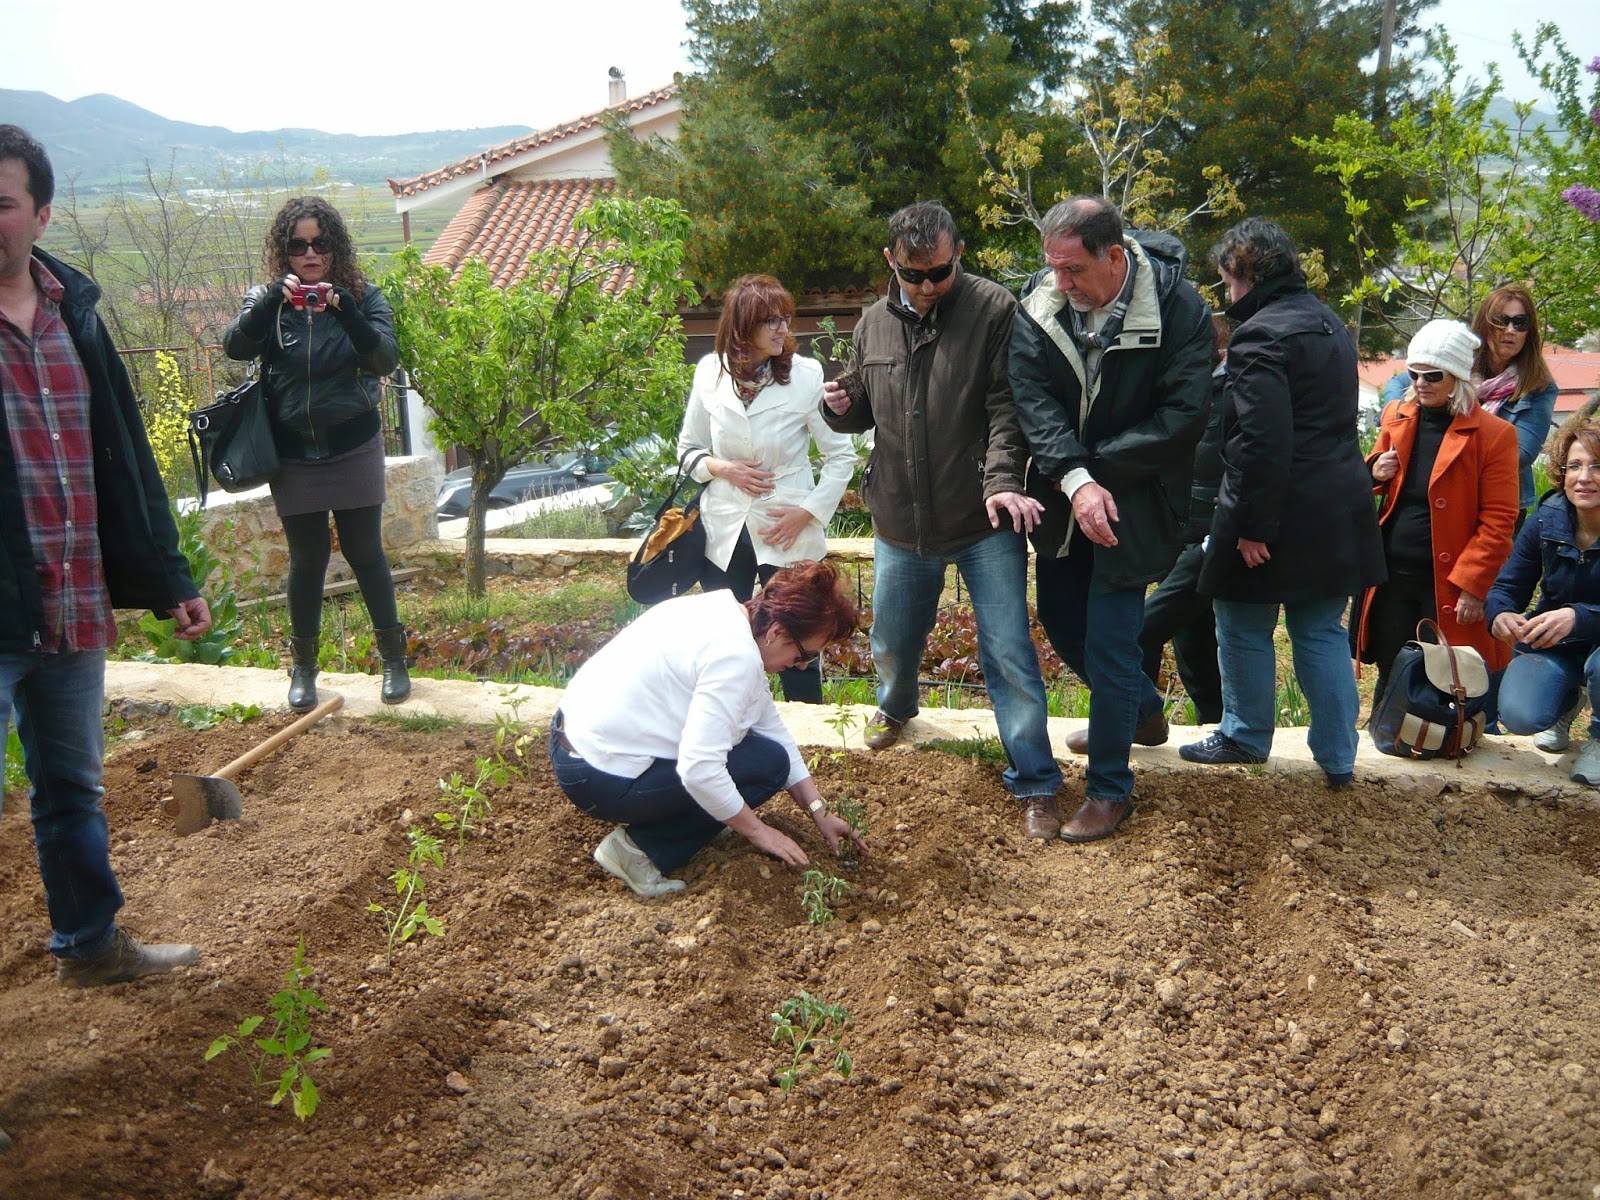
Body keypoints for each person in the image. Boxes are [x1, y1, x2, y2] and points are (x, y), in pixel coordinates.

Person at [0, 125, 210, 1018]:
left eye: (3, 201)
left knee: (74, 788)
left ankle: (90, 944)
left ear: (40, 213)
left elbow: (123, 455)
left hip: (72, 601)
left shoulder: (74, 314)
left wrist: (168, 574)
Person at [819, 200, 1065, 839]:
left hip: (985, 517)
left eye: (940, 272)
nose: (928, 286)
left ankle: (1037, 781)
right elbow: (864, 408)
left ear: (959, 254)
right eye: (913, 274)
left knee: (1008, 651)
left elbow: (1008, 407)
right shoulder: (872, 323)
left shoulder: (993, 311)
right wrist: (841, 405)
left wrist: (1003, 480)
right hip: (901, 517)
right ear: (891, 262)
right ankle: (896, 709)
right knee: (894, 641)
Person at [1011, 196, 1212, 842]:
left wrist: (1097, 472)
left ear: (1115, 257)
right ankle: (1142, 710)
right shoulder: (1040, 302)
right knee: (1064, 621)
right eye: (1052, 268)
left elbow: (1182, 417)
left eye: (1072, 270)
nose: (1060, 284)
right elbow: (1032, 397)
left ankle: (1108, 789)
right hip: (1069, 493)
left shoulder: (1181, 309)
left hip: (1138, 496)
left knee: (1111, 637)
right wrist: (1074, 479)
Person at [1187, 218, 1386, 787]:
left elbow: (1262, 441)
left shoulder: (1260, 335)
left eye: (1228, 280)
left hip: (1276, 508)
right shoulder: (1327, 321)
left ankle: (1245, 735)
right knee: (1320, 632)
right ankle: (1338, 757)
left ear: (1247, 274)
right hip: (1336, 506)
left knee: (1241, 622)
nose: (1227, 294)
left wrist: (1254, 525)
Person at [550, 561, 868, 897]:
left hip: (574, 744)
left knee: (763, 755)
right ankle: (637, 850)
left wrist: (821, 812)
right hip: (598, 777)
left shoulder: (723, 611)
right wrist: (760, 832)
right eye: (804, 655)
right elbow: (699, 769)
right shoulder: (736, 657)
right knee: (764, 767)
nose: (801, 666)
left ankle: (698, 819)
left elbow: (770, 726)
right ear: (776, 632)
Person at [223, 196, 406, 711]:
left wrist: (344, 310)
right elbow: (235, 346)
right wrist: (265, 306)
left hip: (353, 443)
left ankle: (393, 661)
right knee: (308, 559)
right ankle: (303, 670)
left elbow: (385, 356)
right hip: (294, 453)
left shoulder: (364, 297)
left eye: (319, 243)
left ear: (334, 247)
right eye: (298, 244)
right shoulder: (266, 299)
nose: (309, 253)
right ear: (285, 250)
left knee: (365, 552)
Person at [676, 274, 856, 702]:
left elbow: (841, 456)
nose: (782, 330)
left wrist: (808, 514)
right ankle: (731, 721)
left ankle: (806, 730)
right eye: (771, 321)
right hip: (725, 531)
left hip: (786, 528)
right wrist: (723, 468)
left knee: (798, 640)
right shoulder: (709, 374)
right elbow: (688, 451)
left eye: (785, 320)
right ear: (742, 326)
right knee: (725, 639)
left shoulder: (806, 376)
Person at [1355, 319, 1518, 704]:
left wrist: (1473, 585)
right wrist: (1372, 470)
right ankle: (1387, 735)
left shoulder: (1494, 436)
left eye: (1433, 375)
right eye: (1413, 373)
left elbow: (1499, 520)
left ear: (1457, 378)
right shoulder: (1397, 416)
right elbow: (1370, 480)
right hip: (1391, 574)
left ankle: (1440, 745)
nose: (1421, 382)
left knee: (1446, 673)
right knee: (1392, 664)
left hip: (1446, 581)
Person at [1488, 418, 1600, 782]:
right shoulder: (1546, 520)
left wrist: (1578, 617)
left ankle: (1598, 739)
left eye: (1598, 466)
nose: (1584, 477)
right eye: (1575, 466)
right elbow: (1507, 586)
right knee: (1520, 715)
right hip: (1560, 646)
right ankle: (1567, 703)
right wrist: (1501, 614)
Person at [1135, 314, 1231, 727]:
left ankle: (1137, 718)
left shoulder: (1235, 395)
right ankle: (1217, 727)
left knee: (1144, 629)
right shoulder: (1182, 393)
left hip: (1212, 538)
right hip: (1180, 535)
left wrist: (1218, 535)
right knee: (1194, 643)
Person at [1470, 284, 1559, 525]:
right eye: (1501, 320)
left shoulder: (1539, 386)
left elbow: (1520, 453)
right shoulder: (1458, 369)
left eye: (1520, 322)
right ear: (1485, 324)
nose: (1510, 330)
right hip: (1450, 494)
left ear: (1528, 332)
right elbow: (1405, 381)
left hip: (1502, 503)